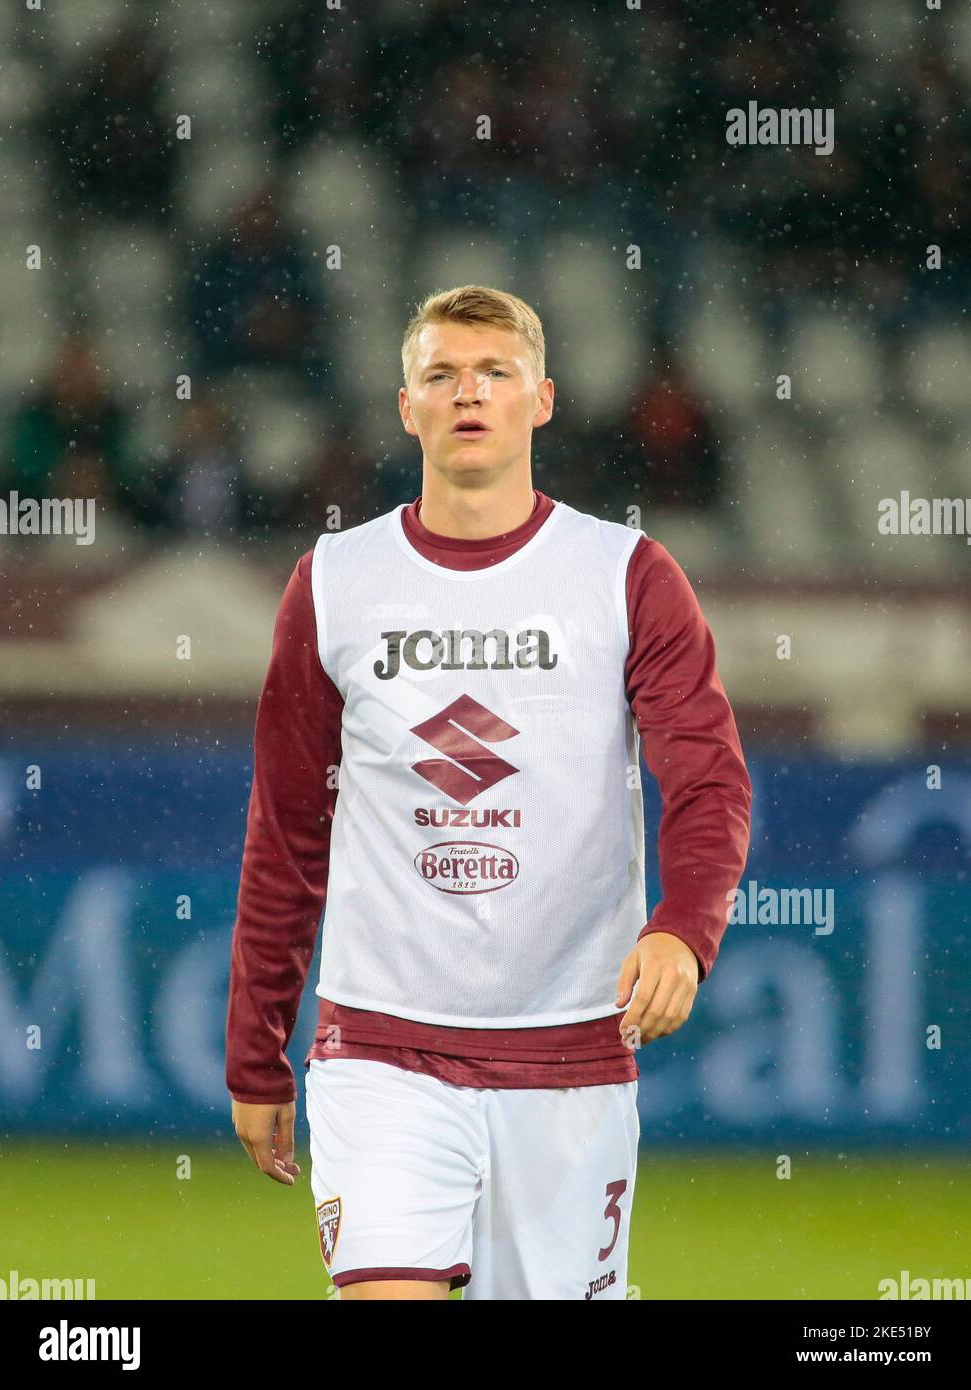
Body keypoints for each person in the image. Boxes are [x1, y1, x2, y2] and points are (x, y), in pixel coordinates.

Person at [225, 285, 751, 1301]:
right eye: (440, 375)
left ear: (540, 400)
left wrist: (684, 926)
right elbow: (287, 827)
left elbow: (704, 774)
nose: (467, 393)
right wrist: (256, 1050)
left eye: (493, 373)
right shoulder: (334, 581)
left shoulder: (626, 574)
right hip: (379, 1049)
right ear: (405, 406)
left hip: (571, 1056)